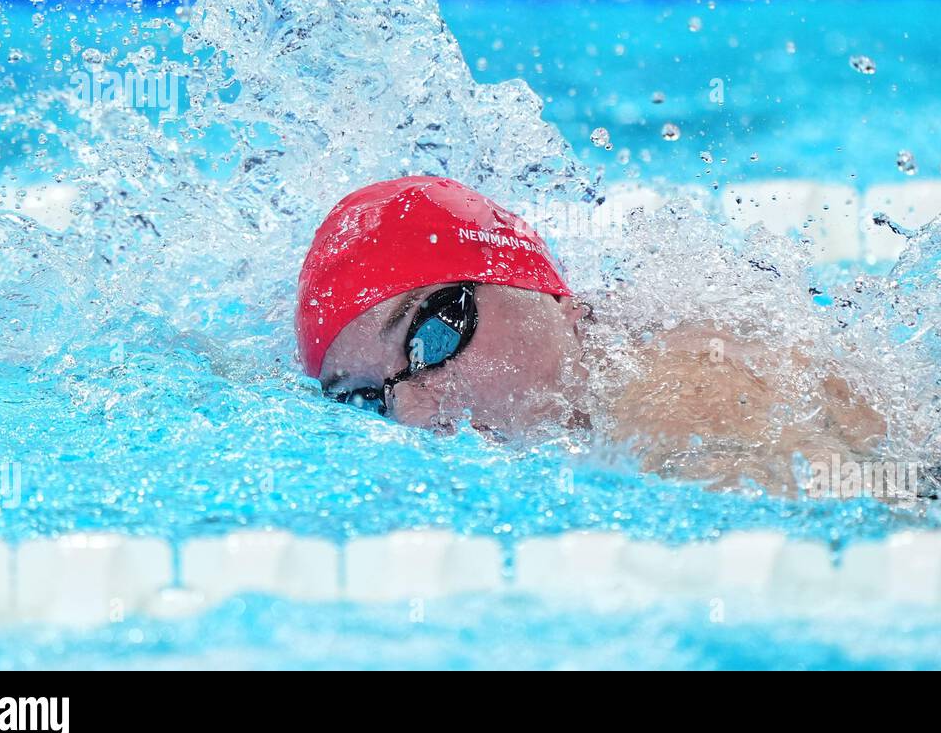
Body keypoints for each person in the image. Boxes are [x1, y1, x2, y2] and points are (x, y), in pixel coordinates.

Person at [297, 175, 887, 494]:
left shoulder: (684, 393)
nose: (412, 413)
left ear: (553, 301)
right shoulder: (594, 395)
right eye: (367, 398)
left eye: (429, 339)